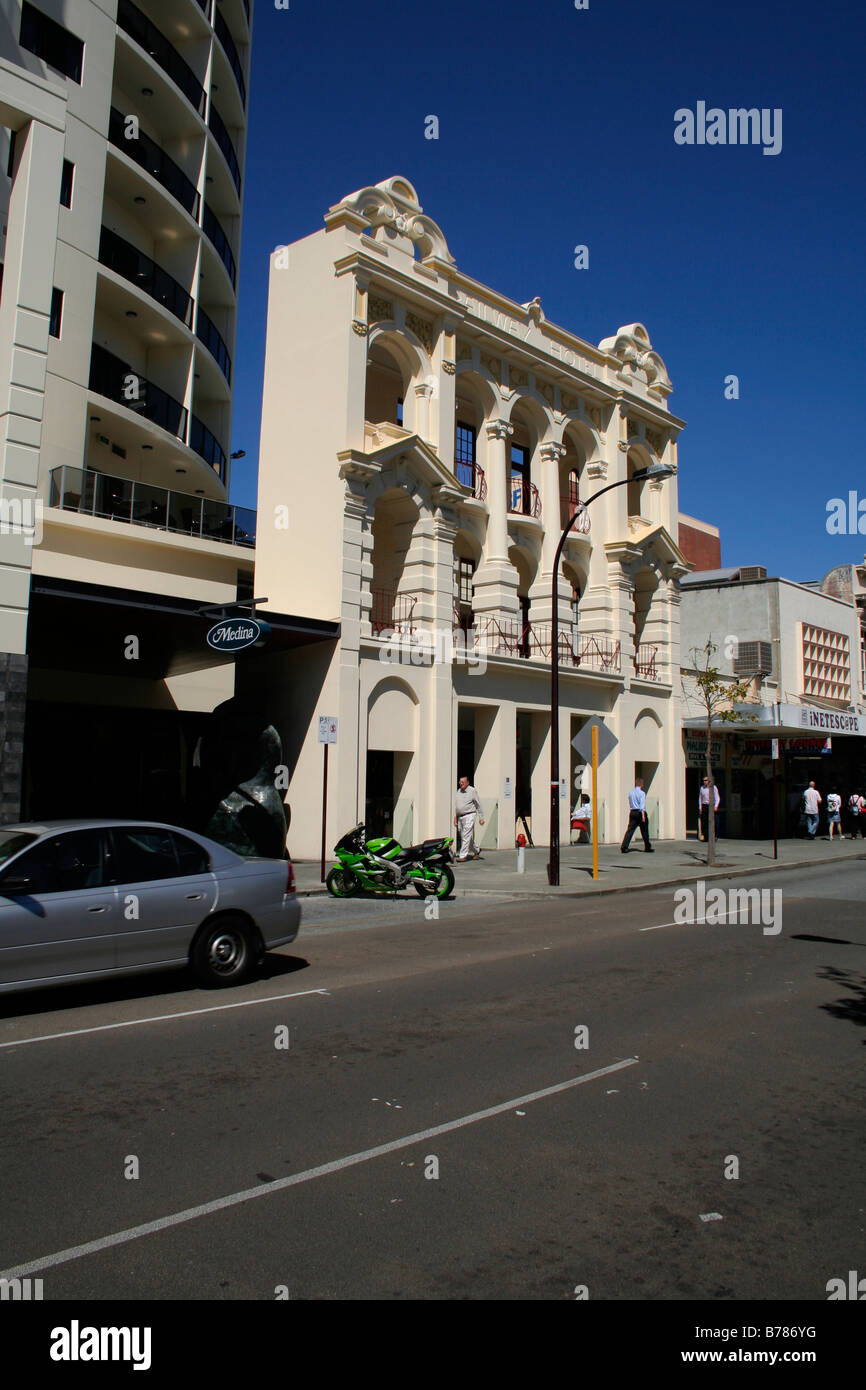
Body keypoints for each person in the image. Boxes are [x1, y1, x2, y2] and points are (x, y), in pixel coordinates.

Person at [454, 775, 484, 861]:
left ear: (467, 782)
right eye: (460, 782)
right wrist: (455, 817)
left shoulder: (472, 791)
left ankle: (463, 855)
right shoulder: (458, 791)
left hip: (470, 815)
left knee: (466, 835)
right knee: (464, 835)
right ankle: (476, 850)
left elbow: (478, 804)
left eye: (463, 782)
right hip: (460, 817)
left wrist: (481, 817)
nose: (461, 783)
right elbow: (457, 806)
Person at [621, 777, 653, 853]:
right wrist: (643, 816)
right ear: (641, 784)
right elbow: (642, 805)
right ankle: (647, 847)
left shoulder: (631, 792)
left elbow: (630, 802)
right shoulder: (642, 793)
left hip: (632, 812)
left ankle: (624, 846)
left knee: (630, 830)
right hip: (639, 812)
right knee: (644, 831)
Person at [698, 775, 721, 841]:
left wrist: (716, 806)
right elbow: (700, 798)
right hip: (704, 805)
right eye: (703, 780)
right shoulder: (702, 788)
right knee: (704, 822)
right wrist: (700, 807)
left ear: (709, 781)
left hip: (711, 806)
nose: (704, 782)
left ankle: (714, 836)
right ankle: (706, 836)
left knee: (713, 821)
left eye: (705, 780)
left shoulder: (713, 787)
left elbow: (717, 798)